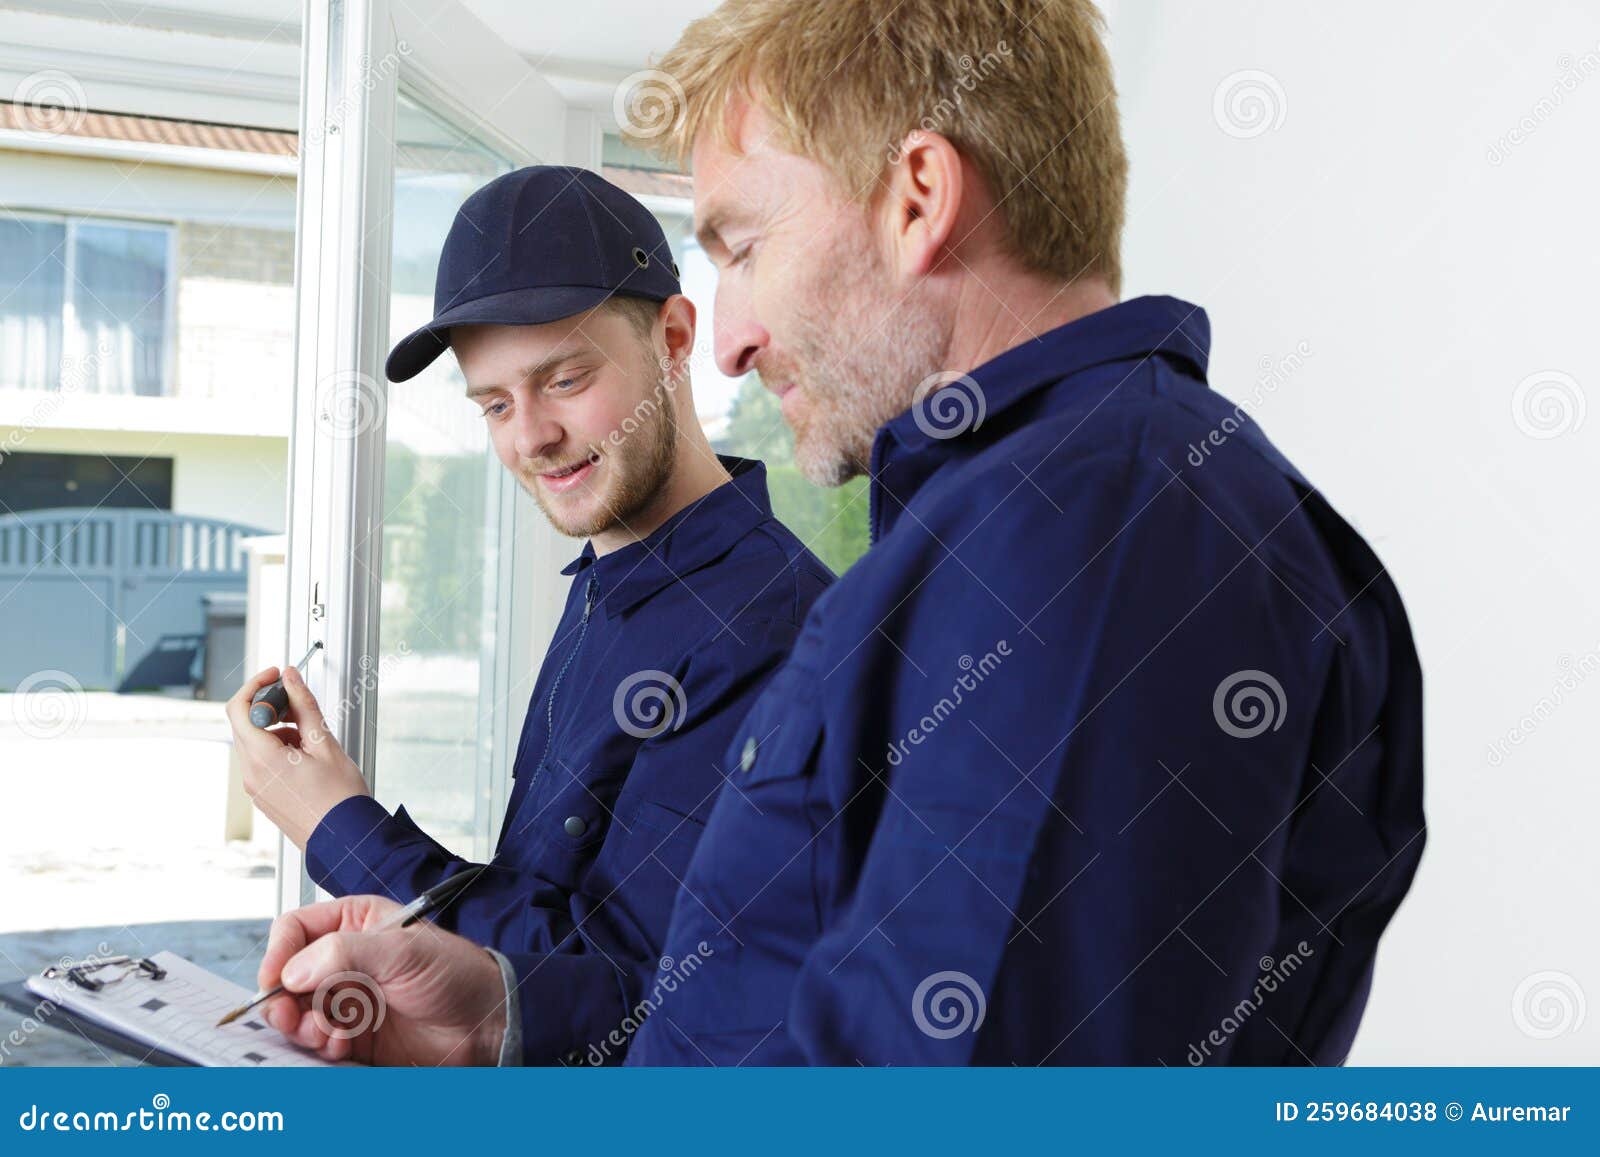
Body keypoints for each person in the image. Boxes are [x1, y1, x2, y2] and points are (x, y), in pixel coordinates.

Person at [254, 0, 1425, 1067]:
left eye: (744, 247)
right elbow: (787, 1027)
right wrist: (503, 1017)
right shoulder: (1032, 524)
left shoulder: (1084, 538)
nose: (731, 341)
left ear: (917, 198)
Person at [225, 165, 832, 1065]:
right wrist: (388, 930)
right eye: (496, 404)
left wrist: (339, 824)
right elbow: (552, 915)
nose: (530, 436)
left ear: (674, 338)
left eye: (565, 379)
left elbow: (636, 998)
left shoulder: (772, 630)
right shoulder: (604, 582)